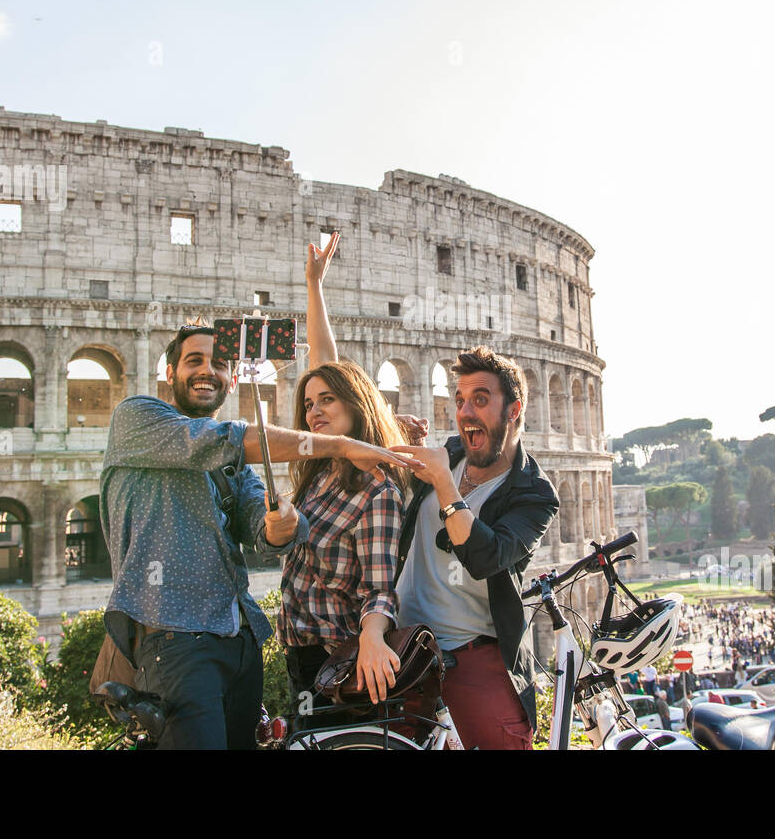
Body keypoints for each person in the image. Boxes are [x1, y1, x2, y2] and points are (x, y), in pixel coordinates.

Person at [100, 318, 416, 749]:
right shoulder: (139, 418)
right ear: (169, 373)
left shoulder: (238, 458)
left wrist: (280, 524)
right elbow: (219, 440)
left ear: (233, 381)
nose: (208, 370)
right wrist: (342, 445)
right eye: (195, 361)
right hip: (174, 634)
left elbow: (264, 527)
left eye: (221, 363)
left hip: (240, 641)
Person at [277, 233, 419, 729]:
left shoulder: (376, 489)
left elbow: (380, 587)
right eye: (309, 404)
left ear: (355, 406)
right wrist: (314, 285)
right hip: (299, 653)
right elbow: (322, 360)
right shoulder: (320, 470)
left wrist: (374, 638)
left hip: (338, 659)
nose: (315, 411)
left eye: (327, 402)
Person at [391, 346, 559, 749]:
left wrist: (444, 485)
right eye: (460, 399)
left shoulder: (534, 494)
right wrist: (386, 431)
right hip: (403, 649)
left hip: (473, 657)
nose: (465, 411)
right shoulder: (448, 452)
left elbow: (485, 557)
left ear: (514, 410)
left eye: (480, 400)